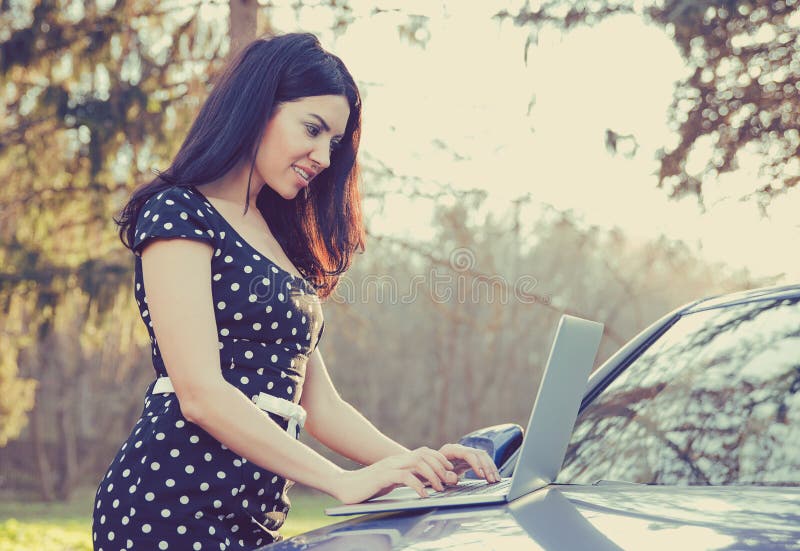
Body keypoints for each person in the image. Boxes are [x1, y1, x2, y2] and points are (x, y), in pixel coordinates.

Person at [92, 32, 499, 551]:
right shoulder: (179, 212)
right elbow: (200, 394)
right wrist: (339, 480)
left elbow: (320, 404)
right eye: (312, 129)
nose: (324, 157)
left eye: (333, 142)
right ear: (258, 106)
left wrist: (420, 467)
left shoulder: (274, 238)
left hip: (254, 518)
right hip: (169, 509)